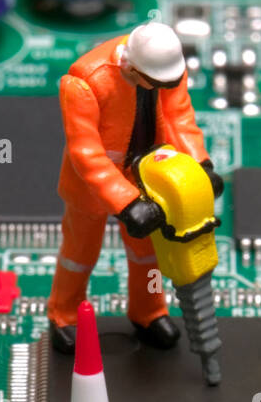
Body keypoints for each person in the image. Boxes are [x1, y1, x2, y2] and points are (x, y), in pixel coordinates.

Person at [47, 21, 223, 353]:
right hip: (92, 189)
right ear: (129, 66)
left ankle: (149, 312)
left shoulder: (164, 69)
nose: (163, 87)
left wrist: (201, 164)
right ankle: (63, 316)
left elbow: (178, 117)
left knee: (149, 256)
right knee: (78, 254)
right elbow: (87, 154)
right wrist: (127, 202)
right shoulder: (85, 82)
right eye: (154, 83)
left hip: (151, 179)